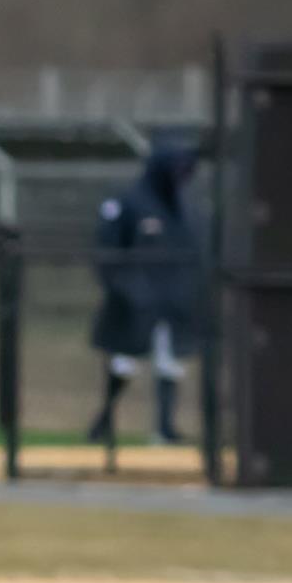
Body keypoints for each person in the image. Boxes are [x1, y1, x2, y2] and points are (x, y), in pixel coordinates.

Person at [87, 139, 202, 446]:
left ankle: (164, 428)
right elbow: (107, 253)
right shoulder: (130, 201)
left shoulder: (185, 207)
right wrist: (128, 289)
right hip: (133, 302)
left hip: (173, 303)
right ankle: (103, 423)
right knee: (124, 362)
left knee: (170, 362)